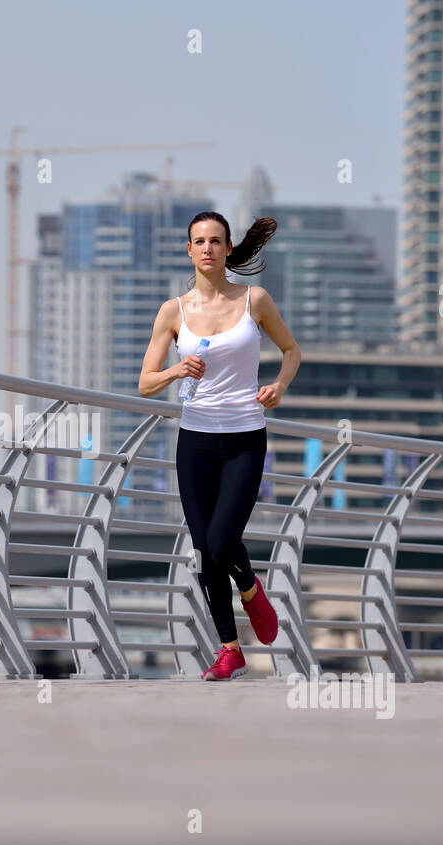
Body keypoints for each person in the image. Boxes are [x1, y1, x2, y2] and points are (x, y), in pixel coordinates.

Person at [138, 211, 301, 680]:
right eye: (198, 241)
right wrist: (176, 369)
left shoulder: (256, 300)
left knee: (220, 538)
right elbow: (146, 382)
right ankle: (230, 649)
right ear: (188, 250)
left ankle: (250, 588)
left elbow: (291, 350)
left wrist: (279, 386)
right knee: (205, 550)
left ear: (229, 249)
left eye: (215, 241)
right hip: (196, 442)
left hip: (246, 438)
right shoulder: (174, 311)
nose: (207, 248)